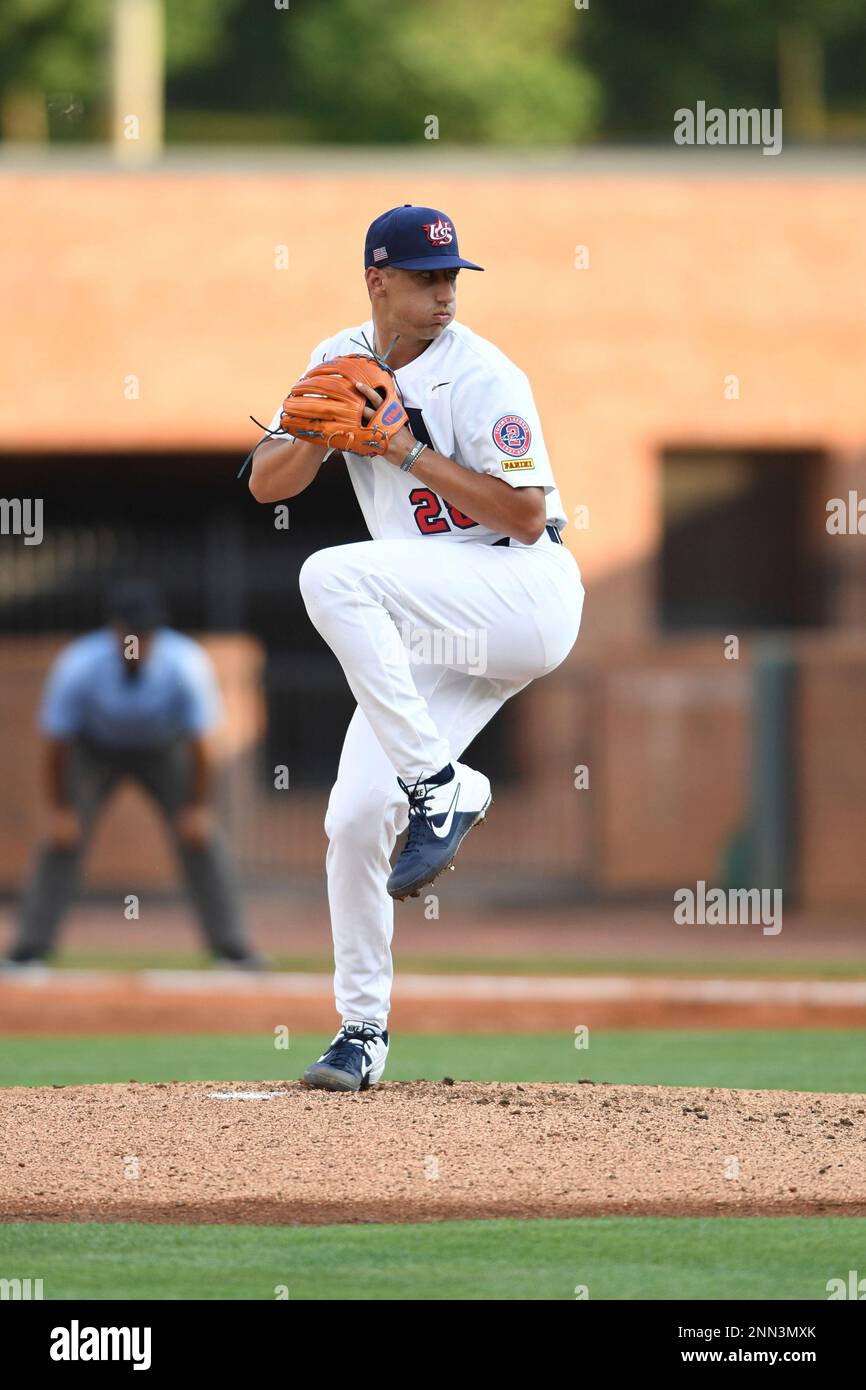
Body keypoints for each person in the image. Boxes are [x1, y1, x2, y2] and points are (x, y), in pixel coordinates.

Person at [249, 204, 584, 1089]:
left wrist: (401, 451)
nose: (444, 293)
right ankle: (361, 1033)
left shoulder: (485, 375)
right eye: (427, 276)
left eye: (452, 277)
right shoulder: (340, 360)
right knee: (355, 818)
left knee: (332, 575)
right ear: (377, 280)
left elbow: (521, 516)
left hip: (521, 596)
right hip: (437, 619)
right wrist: (319, 436)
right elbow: (263, 483)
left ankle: (438, 786)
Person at [3, 580, 262, 968]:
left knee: (202, 839)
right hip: (94, 750)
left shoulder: (184, 663)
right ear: (115, 631)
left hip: (163, 748)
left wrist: (197, 807)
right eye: (132, 632)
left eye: (147, 633)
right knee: (61, 840)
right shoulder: (79, 665)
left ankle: (232, 948)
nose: (140, 641)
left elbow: (201, 745)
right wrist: (60, 809)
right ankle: (29, 949)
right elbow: (56, 744)